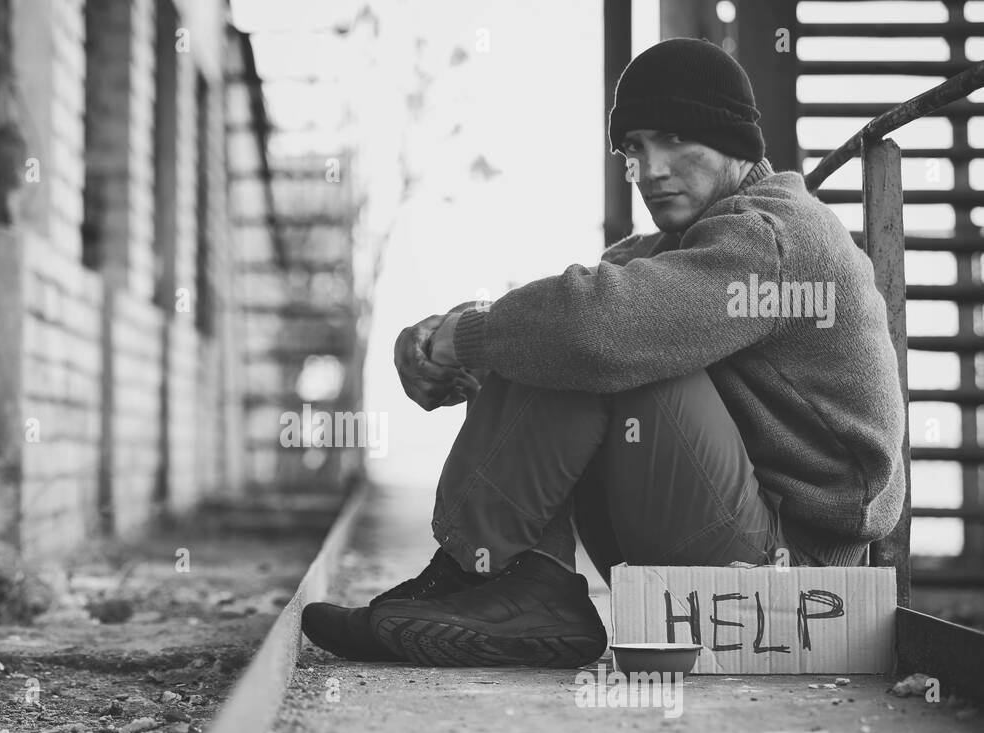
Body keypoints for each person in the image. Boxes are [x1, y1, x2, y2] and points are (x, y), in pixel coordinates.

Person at [300, 37, 906, 668]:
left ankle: (482, 574)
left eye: (674, 139)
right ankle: (524, 579)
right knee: (561, 331)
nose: (651, 169)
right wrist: (435, 345)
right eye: (634, 150)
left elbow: (593, 324)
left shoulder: (774, 237)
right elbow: (560, 311)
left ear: (735, 143)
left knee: (599, 335)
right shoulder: (690, 243)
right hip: (722, 534)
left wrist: (468, 336)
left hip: (787, 569)